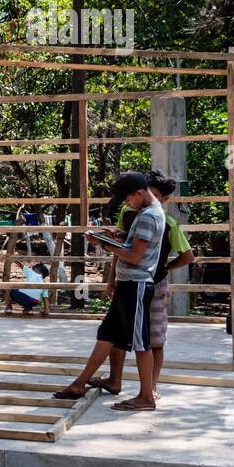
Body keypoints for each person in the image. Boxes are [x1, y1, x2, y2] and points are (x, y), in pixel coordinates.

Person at [53, 171, 166, 411]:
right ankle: (79, 383)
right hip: (128, 284)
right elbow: (134, 244)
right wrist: (116, 236)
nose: (127, 205)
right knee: (106, 334)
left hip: (136, 284)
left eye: (127, 200)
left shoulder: (148, 216)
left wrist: (104, 244)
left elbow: (135, 256)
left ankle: (146, 397)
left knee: (140, 342)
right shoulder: (145, 212)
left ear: (138, 193)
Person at [87, 169, 195, 398]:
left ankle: (149, 389)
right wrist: (112, 277)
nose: (129, 202)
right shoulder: (129, 212)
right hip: (131, 281)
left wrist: (164, 267)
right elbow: (125, 247)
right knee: (121, 335)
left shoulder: (164, 221)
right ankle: (116, 380)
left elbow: (185, 256)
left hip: (148, 284)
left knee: (151, 340)